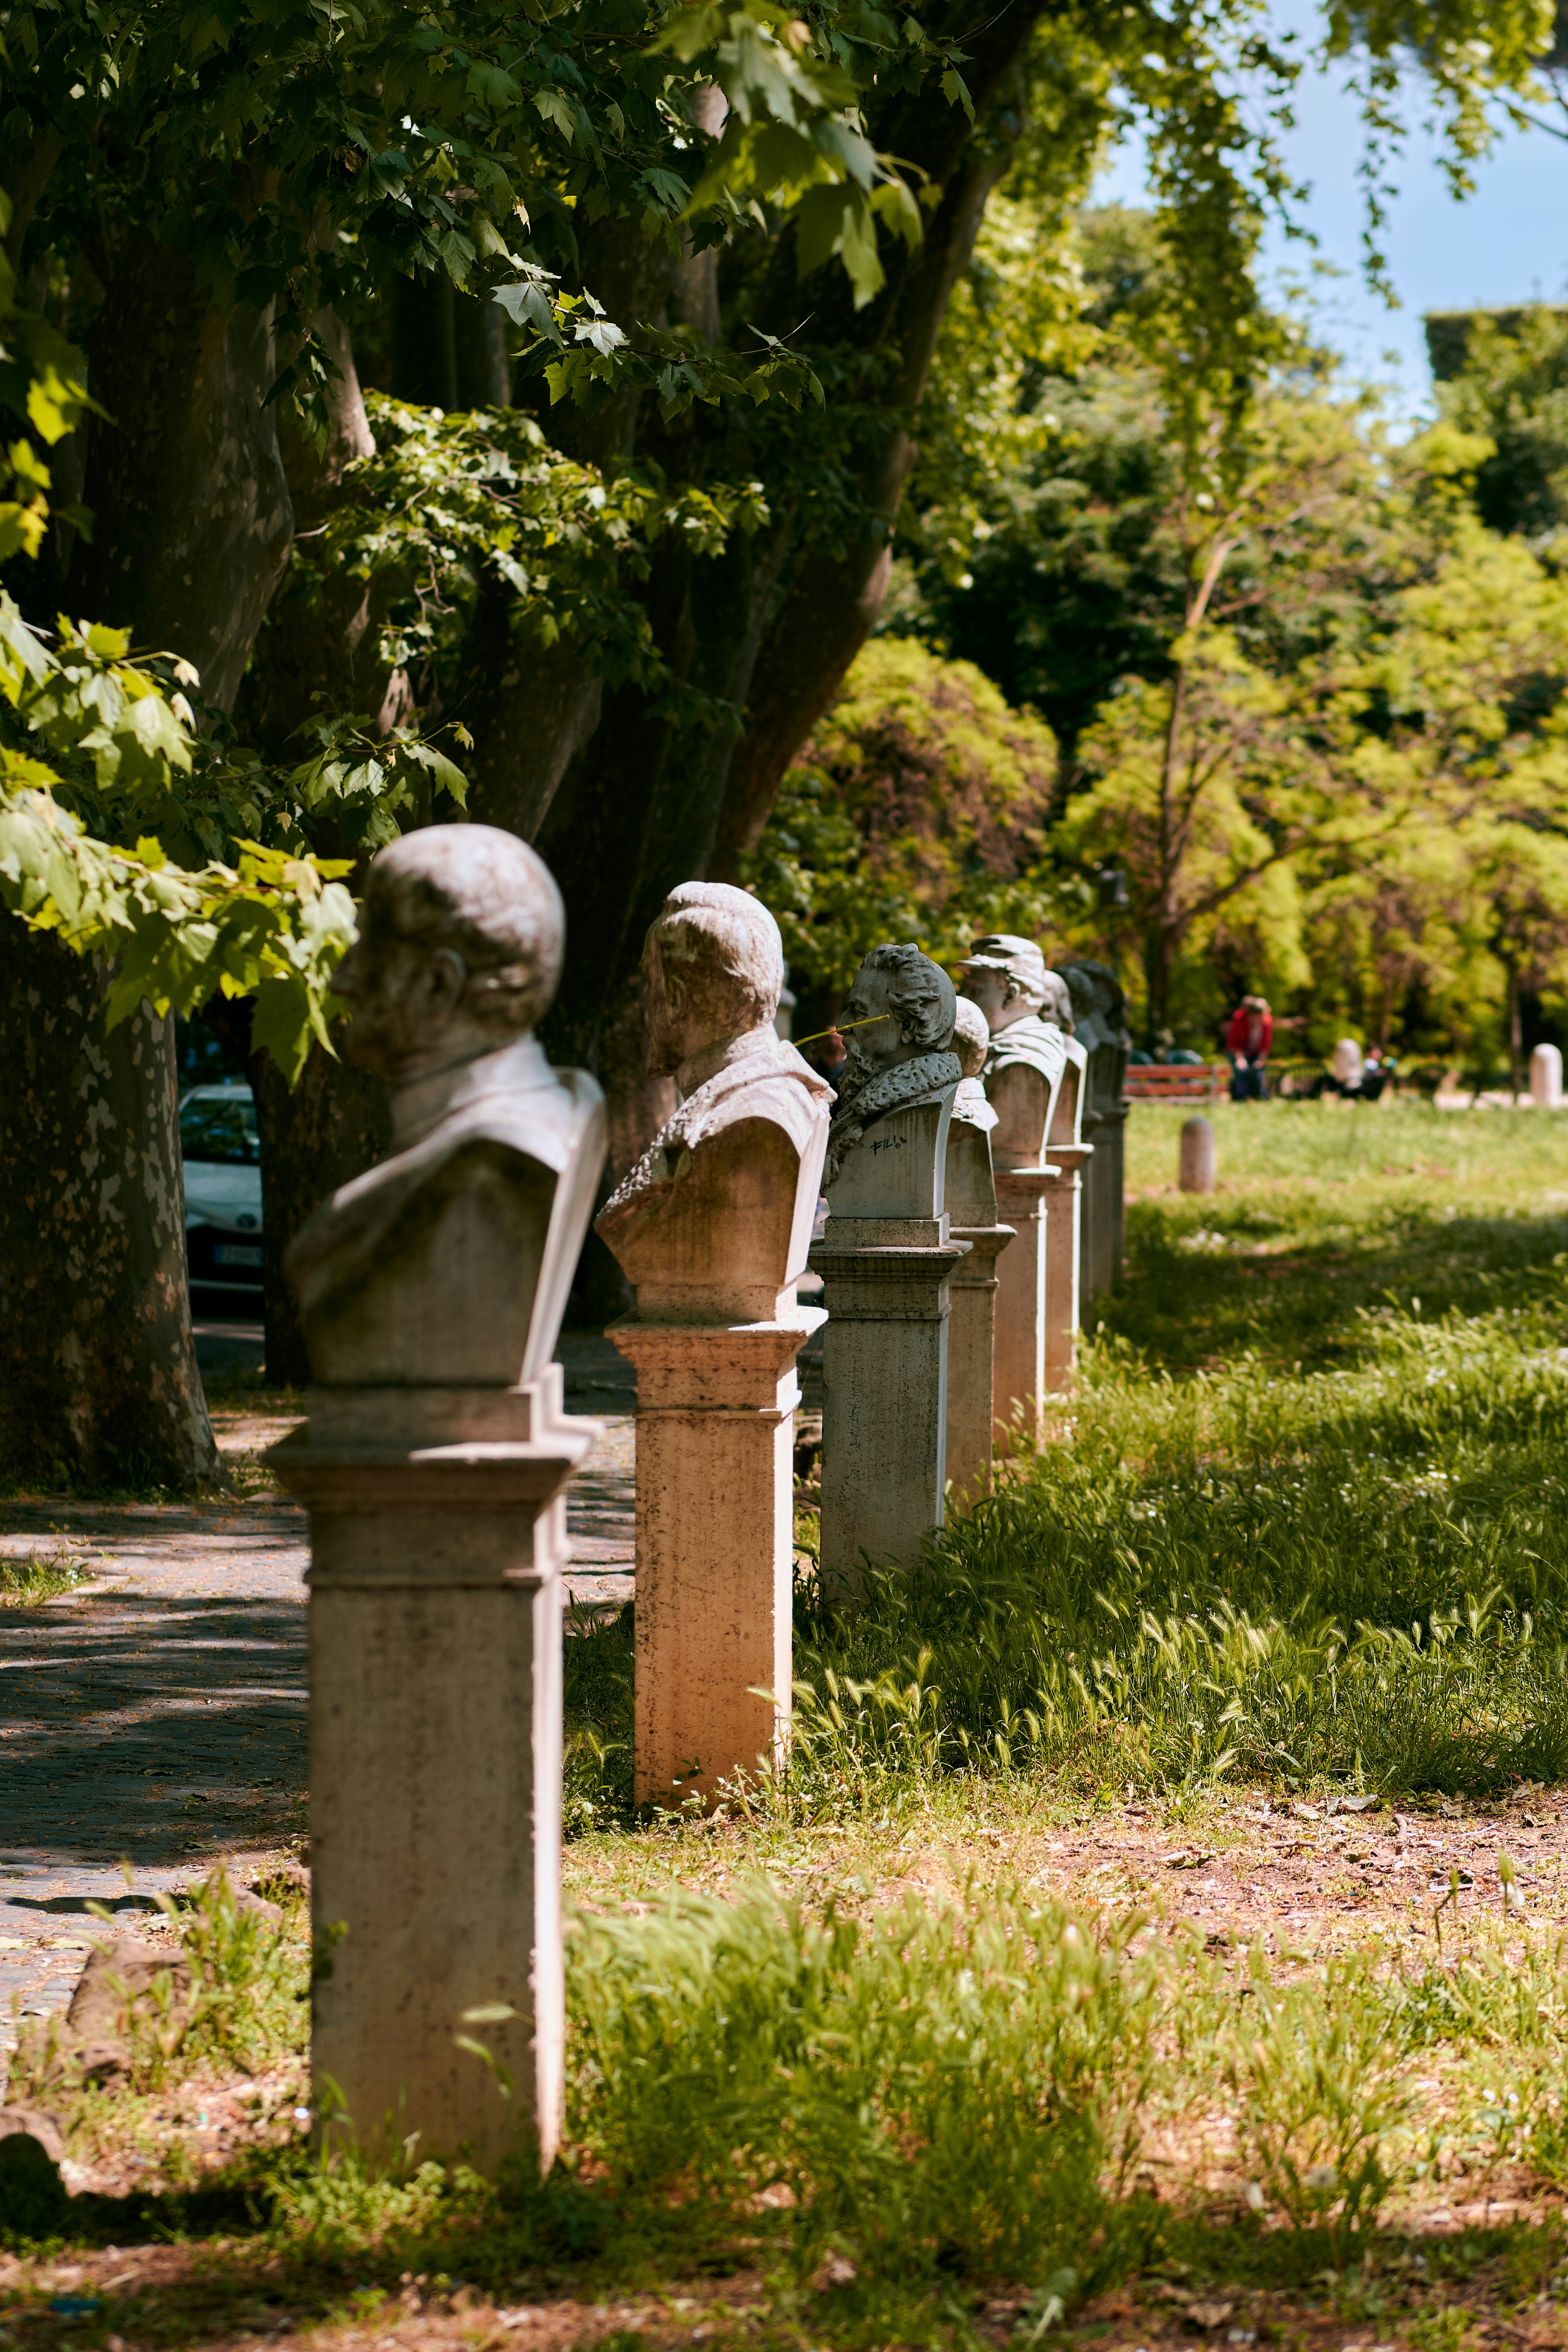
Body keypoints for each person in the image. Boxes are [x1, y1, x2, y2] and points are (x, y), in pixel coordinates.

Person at [1225, 995, 1273, 1102]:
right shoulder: (1239, 1019)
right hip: (1238, 1052)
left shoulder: (1266, 1021)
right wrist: (1240, 1059)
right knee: (1241, 1071)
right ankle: (1240, 1099)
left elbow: (1266, 1044)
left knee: (1258, 1072)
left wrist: (1260, 1061)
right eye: (1254, 1014)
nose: (1257, 1017)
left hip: (1255, 1052)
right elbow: (1235, 1043)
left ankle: (1260, 1097)